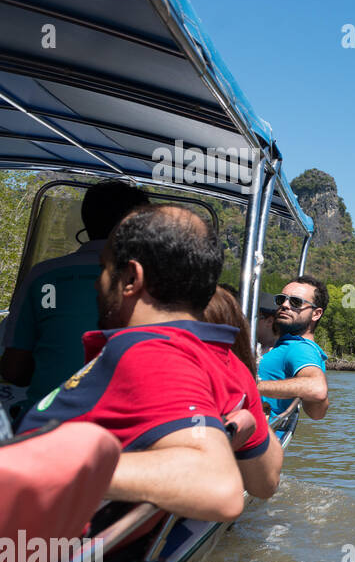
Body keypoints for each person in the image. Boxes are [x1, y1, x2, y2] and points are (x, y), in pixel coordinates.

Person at [17, 205, 282, 520]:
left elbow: (217, 486)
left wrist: (36, 464)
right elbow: (265, 482)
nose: (96, 284)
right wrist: (236, 430)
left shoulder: (149, 352)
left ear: (131, 277)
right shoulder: (227, 363)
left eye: (104, 269)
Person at [1, 181, 149, 418]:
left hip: (45, 421)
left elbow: (14, 370)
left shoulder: (44, 276)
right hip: (123, 425)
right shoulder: (152, 281)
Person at [257, 276, 329, 420]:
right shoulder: (286, 345)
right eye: (281, 299)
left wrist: (252, 386)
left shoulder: (300, 349)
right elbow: (317, 413)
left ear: (316, 314)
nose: (285, 305)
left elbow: (317, 388)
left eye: (296, 302)